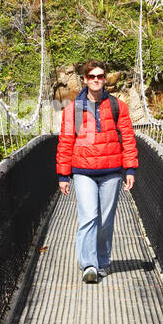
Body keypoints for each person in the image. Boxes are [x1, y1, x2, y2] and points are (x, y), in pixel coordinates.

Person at [56, 60, 138, 283]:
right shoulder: (73, 109)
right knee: (89, 216)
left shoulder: (117, 106)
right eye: (91, 76)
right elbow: (65, 142)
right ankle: (89, 265)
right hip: (83, 171)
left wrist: (130, 168)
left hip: (111, 171)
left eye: (100, 76)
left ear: (105, 79)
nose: (96, 80)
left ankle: (102, 262)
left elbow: (128, 138)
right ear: (84, 79)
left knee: (106, 221)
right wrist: (63, 174)